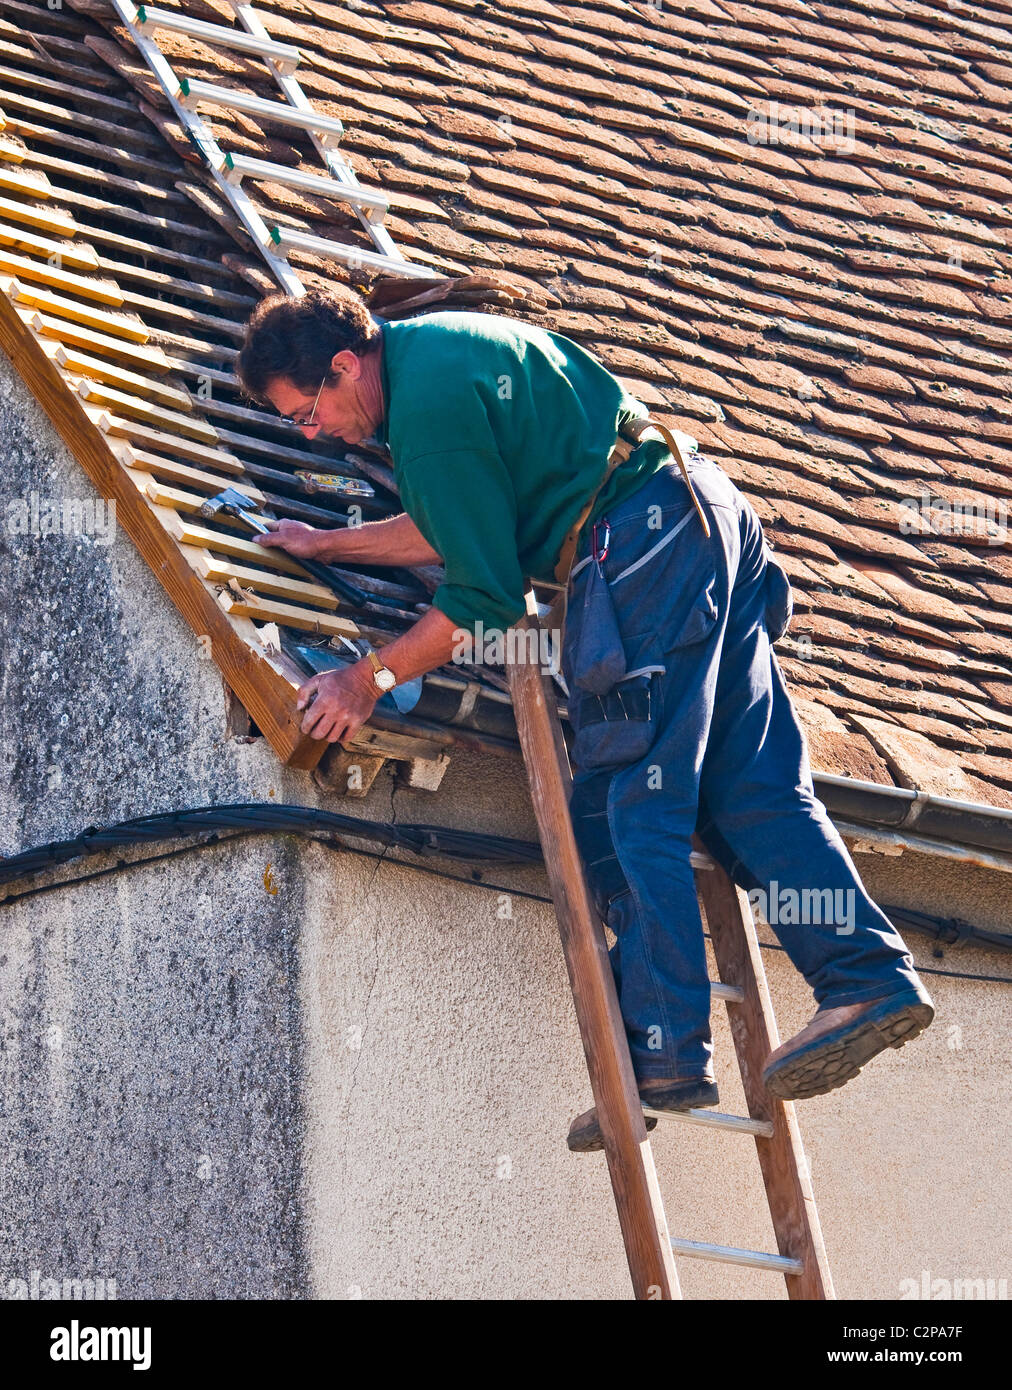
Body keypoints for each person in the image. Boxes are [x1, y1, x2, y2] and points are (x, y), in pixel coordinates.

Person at [235, 287, 934, 1151]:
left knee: (624, 801)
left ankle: (663, 1053)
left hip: (640, 546)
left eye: (308, 414)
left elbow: (484, 597)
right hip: (703, 518)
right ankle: (867, 976)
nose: (315, 433)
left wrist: (365, 678)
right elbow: (457, 523)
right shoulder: (437, 360)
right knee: (750, 789)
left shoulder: (430, 410)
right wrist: (329, 543)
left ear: (344, 366)